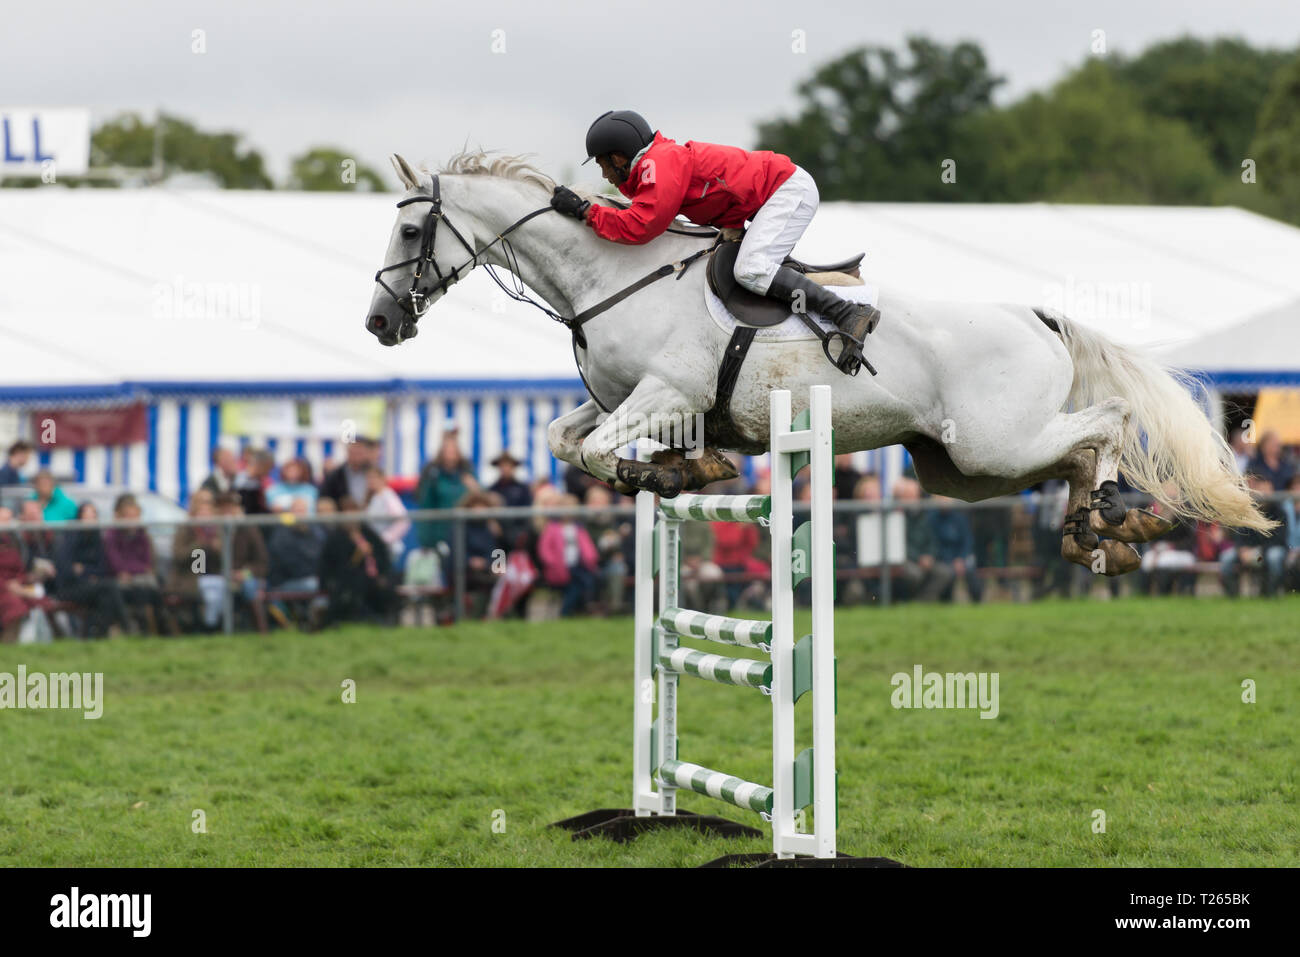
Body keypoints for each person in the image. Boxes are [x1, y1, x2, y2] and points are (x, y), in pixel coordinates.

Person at [550, 110, 879, 375]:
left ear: (621, 156)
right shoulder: (654, 163)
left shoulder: (658, 162)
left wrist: (585, 212)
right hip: (766, 199)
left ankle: (847, 312)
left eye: (605, 164)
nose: (605, 175)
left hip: (788, 190)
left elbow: (642, 226)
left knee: (751, 269)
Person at [318, 497, 398, 626]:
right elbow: (340, 567)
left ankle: (389, 618)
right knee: (359, 582)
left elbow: (383, 556)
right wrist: (359, 554)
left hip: (373, 575)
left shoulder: (368, 534)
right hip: (346, 580)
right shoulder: (336, 538)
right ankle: (369, 619)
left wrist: (381, 572)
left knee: (391, 581)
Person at [55, 502, 128, 638]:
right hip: (70, 589)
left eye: (93, 515)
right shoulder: (69, 538)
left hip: (92, 585)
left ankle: (98, 636)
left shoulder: (97, 539)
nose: (90, 519)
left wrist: (84, 570)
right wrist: (89, 575)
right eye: (86, 515)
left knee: (105, 596)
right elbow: (67, 570)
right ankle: (125, 627)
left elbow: (102, 568)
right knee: (109, 588)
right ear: (79, 518)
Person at [102, 493, 165, 635]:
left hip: (138, 579)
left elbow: (147, 563)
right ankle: (140, 629)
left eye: (135, 516)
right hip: (122, 581)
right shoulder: (111, 536)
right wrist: (137, 570)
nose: (133, 520)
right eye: (128, 516)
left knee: (155, 588)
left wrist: (133, 570)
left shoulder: (143, 535)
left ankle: (159, 629)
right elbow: (116, 564)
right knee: (142, 591)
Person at [265, 496, 328, 629]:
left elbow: (322, 555)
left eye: (303, 510)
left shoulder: (315, 531)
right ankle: (299, 617)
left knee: (325, 585)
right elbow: (287, 563)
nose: (301, 514)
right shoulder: (281, 532)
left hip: (310, 577)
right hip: (285, 581)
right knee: (315, 584)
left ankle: (312, 620)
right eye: (297, 510)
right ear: (290, 512)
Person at [169, 490, 226, 632]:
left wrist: (216, 548)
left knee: (217, 592)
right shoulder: (186, 530)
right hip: (190, 576)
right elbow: (181, 557)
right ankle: (208, 627)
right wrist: (198, 545)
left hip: (214, 575)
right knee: (209, 593)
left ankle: (212, 625)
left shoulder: (218, 531)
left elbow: (223, 560)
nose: (205, 516)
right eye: (202, 512)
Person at [415, 429, 478, 556]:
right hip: (440, 532)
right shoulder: (432, 474)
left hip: (466, 533)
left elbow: (481, 500)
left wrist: (475, 488)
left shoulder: (467, 473)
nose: (450, 454)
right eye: (448, 450)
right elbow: (426, 505)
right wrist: (426, 540)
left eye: (453, 450)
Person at [537, 494, 599, 617]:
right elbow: (544, 550)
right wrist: (554, 563)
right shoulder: (552, 528)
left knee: (587, 580)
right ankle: (567, 612)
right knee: (578, 584)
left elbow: (588, 548)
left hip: (578, 565)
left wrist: (591, 559)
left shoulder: (579, 528)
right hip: (559, 568)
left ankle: (576, 609)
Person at [215, 491, 269, 633]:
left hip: (245, 575)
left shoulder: (249, 530)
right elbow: (197, 566)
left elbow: (262, 561)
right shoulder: (206, 530)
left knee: (250, 585)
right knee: (213, 589)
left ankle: (261, 629)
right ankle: (211, 629)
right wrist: (207, 545)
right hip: (213, 577)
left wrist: (245, 573)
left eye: (231, 508)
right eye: (223, 508)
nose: (227, 512)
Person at [363, 464, 410, 565]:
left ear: (382, 478)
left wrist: (386, 538)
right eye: (368, 478)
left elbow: (403, 520)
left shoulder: (388, 496)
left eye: (374, 477)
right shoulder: (374, 497)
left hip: (385, 548)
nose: (371, 481)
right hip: (374, 547)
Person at [489, 452, 532, 549]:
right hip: (498, 539)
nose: (505, 469)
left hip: (518, 536)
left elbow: (527, 514)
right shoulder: (492, 489)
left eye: (508, 465)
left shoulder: (523, 489)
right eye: (502, 466)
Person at [321, 437, 379, 508]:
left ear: (365, 453)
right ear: (348, 452)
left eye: (360, 453)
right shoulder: (336, 475)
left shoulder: (373, 472)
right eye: (354, 452)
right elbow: (325, 497)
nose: (357, 456)